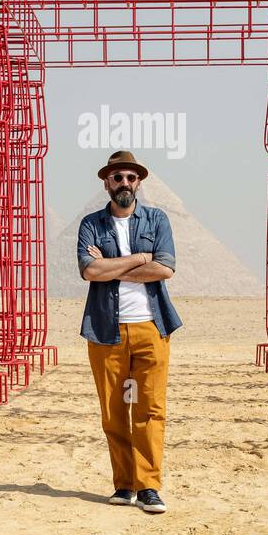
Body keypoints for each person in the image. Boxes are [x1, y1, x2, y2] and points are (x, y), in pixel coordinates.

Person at [76, 151, 182, 514]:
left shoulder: (157, 219)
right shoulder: (91, 223)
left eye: (130, 178)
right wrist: (139, 259)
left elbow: (166, 268)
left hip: (151, 327)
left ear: (139, 182)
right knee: (114, 410)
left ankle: (149, 486)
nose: (124, 183)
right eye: (118, 177)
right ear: (106, 181)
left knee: (150, 409)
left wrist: (110, 266)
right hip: (106, 330)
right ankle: (124, 484)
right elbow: (89, 272)